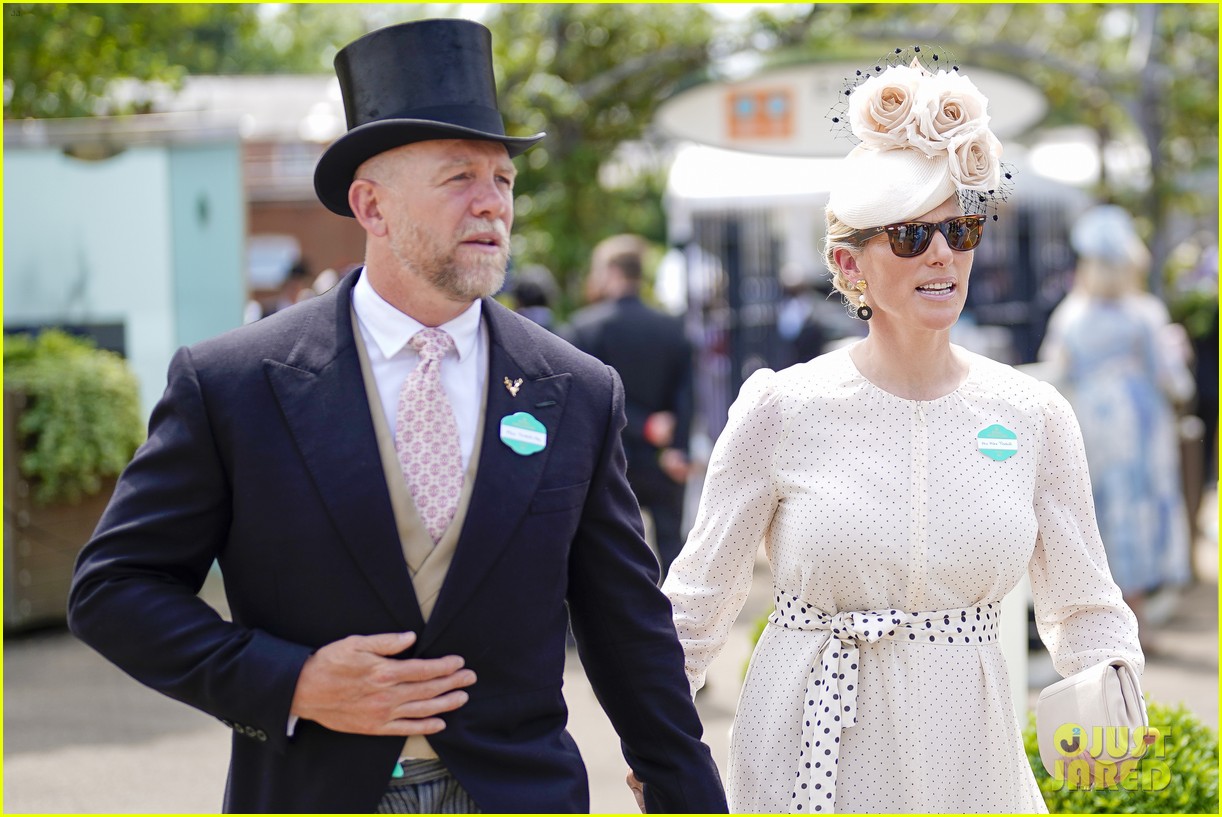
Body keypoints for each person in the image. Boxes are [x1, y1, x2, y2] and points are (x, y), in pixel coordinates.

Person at [68, 19, 726, 814]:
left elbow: (627, 630)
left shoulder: (576, 388)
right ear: (370, 207)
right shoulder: (234, 384)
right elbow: (113, 588)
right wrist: (295, 682)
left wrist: (687, 794)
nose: (493, 204)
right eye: (459, 178)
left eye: (504, 180)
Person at [661, 51, 1145, 813]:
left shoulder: (1032, 413)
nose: (945, 254)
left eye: (961, 227)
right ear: (849, 266)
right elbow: (694, 603)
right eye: (912, 238)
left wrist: (1112, 690)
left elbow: (1084, 604)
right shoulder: (782, 408)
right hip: (804, 743)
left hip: (971, 752)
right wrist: (656, 746)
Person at [1039, 204, 1195, 652]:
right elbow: (1170, 376)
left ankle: (1105, 625)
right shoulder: (1142, 312)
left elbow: (1055, 370)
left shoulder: (1071, 314)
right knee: (1138, 512)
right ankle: (1138, 617)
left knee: (1096, 513)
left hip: (1089, 420)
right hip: (1139, 423)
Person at [562, 235, 695, 581]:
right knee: (672, 548)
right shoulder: (671, 327)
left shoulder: (584, 328)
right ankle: (679, 629)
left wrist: (638, 424)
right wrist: (677, 446)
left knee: (611, 554)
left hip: (607, 459)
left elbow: (584, 396)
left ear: (611, 272)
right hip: (664, 459)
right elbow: (686, 393)